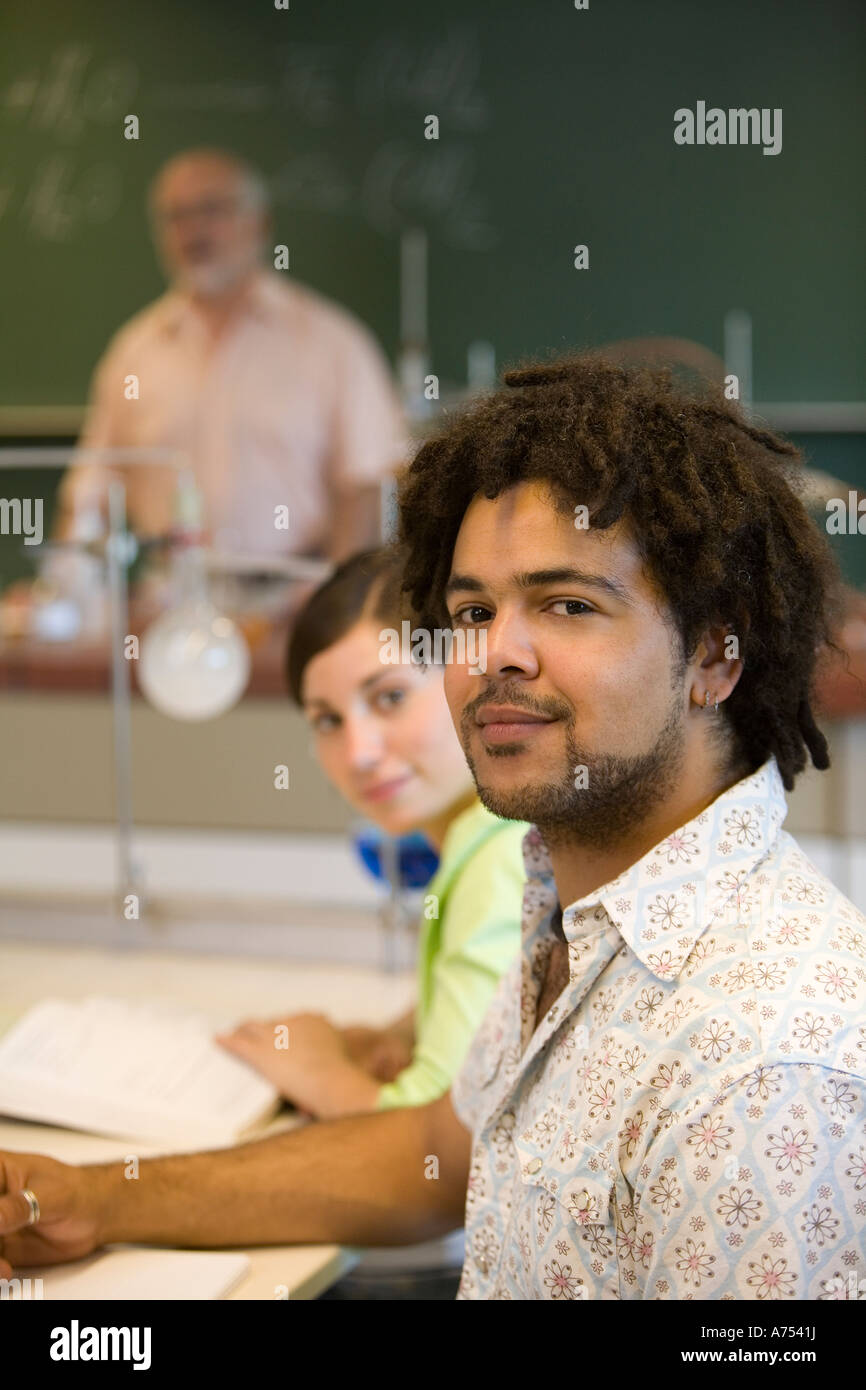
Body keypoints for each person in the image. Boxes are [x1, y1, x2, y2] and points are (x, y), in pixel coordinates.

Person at [2, 354, 864, 1301]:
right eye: (471, 611)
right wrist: (93, 1195)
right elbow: (440, 1152)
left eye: (568, 605)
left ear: (712, 654)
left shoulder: (767, 1066)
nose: (495, 653)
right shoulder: (580, 902)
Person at [215, 548, 528, 1126]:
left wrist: (318, 1074)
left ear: (468, 675)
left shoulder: (503, 858)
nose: (358, 753)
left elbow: (436, 1131)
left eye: (390, 697)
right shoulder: (491, 837)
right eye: (328, 720)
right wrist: (407, 1033)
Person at [55, 149, 407, 561]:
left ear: (260, 223)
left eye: (212, 210)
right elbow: (90, 496)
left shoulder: (333, 344)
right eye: (175, 216)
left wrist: (338, 602)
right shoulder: (133, 353)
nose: (194, 232)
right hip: (171, 604)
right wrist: (61, 595)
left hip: (297, 598)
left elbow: (369, 485)